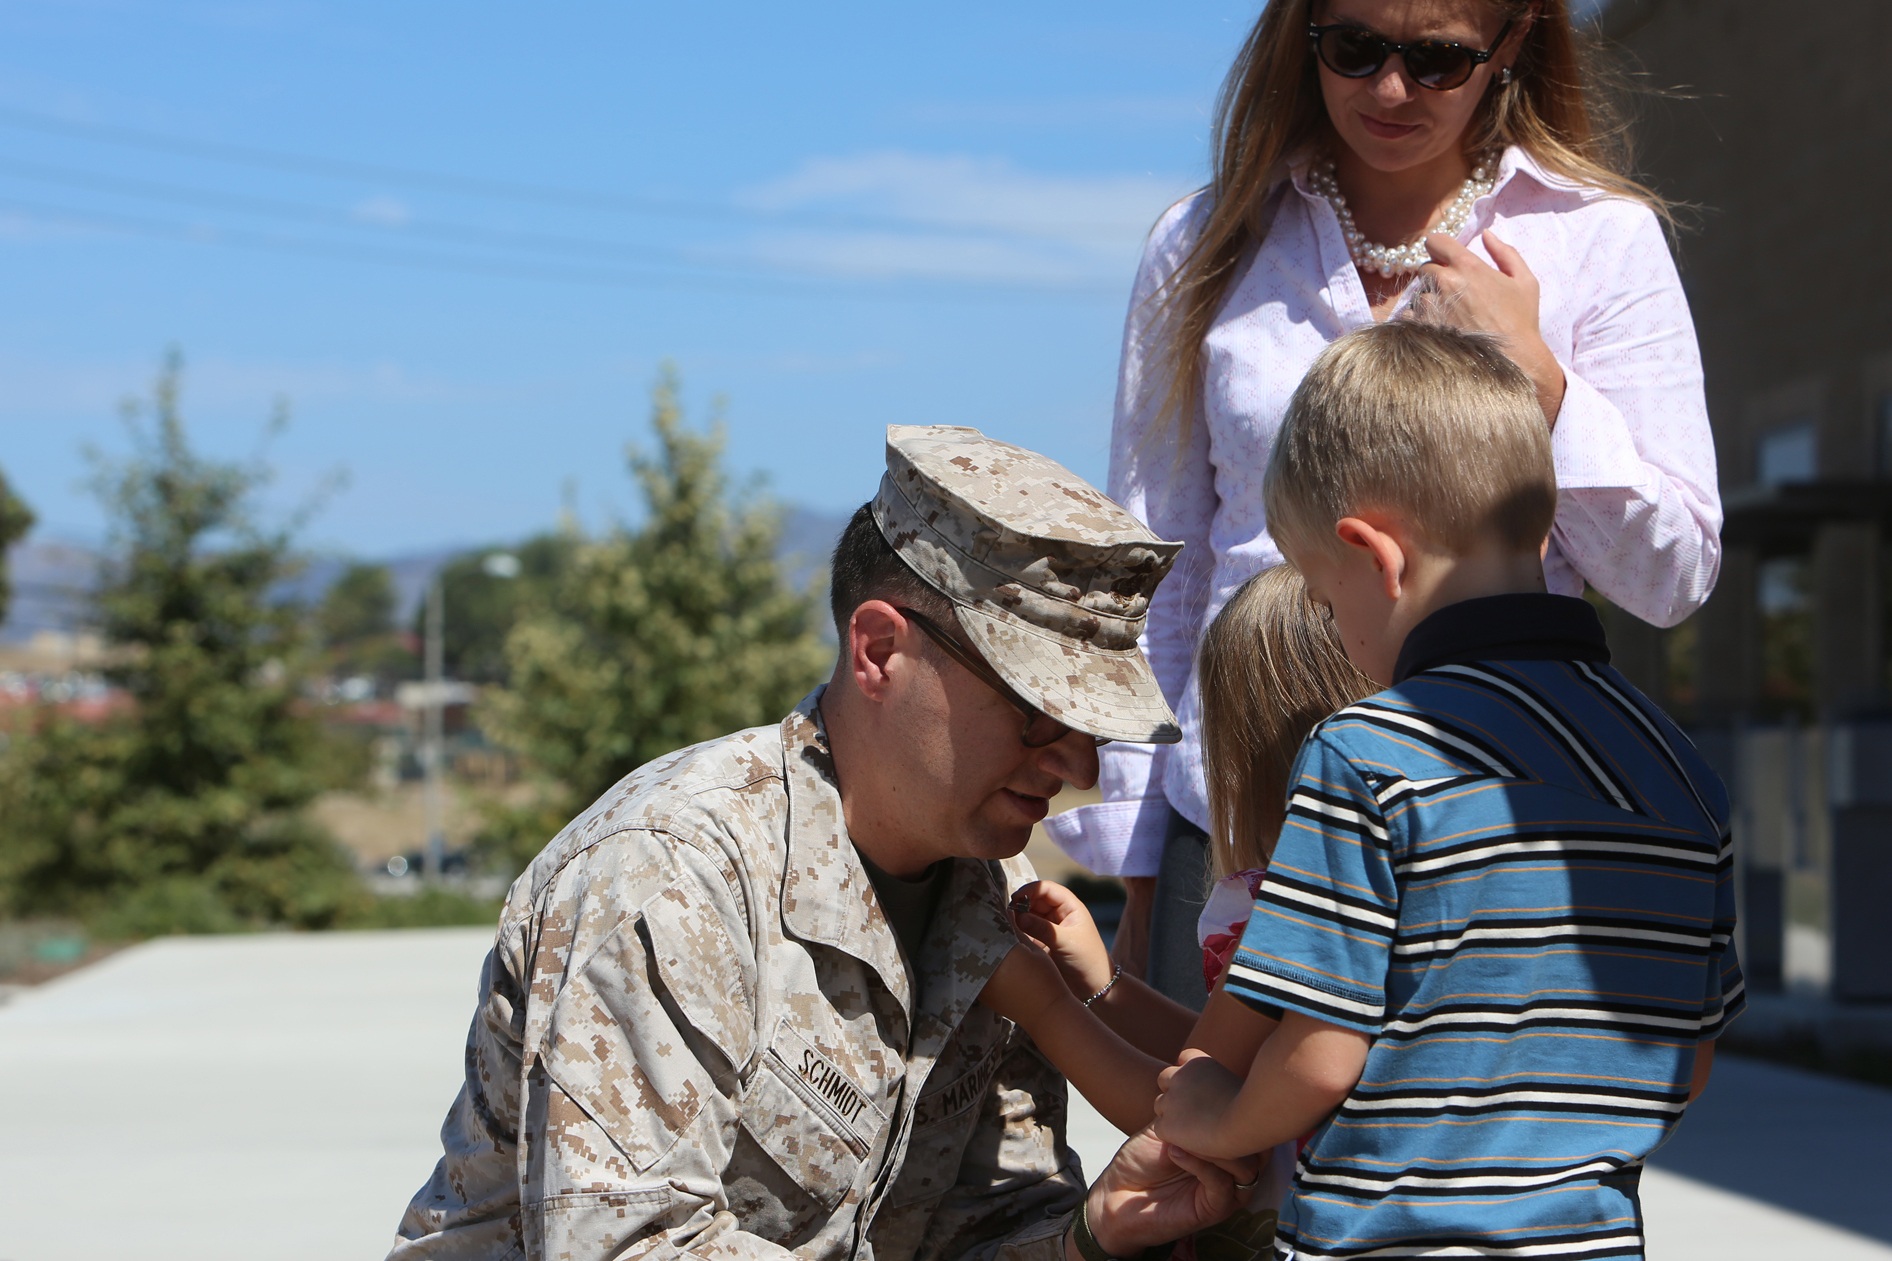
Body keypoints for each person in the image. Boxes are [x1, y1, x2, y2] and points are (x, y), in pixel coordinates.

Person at [388, 424, 1258, 1261]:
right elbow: (631, 1245)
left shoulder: (989, 890)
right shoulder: (669, 872)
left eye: (1091, 729)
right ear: (879, 649)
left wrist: (1088, 1237)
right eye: (1039, 714)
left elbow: (992, 1219)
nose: (1075, 765)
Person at [1046, 0, 1723, 1009]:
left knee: (1442, 1157)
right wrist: (1140, 862)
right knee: (1214, 1148)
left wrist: (1539, 383)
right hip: (1233, 809)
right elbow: (1157, 561)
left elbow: (1670, 576)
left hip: (1485, 821)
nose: (1390, 89)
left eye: (1439, 60)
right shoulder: (1203, 240)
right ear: (1301, 35)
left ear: (1511, 44)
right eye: (1353, 49)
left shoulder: (1596, 241)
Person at [1152, 321, 1744, 1260]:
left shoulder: (1369, 753)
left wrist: (1214, 1117)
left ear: (1374, 556)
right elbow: (1690, 1059)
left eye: (1322, 592)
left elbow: (1318, 1054)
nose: (1335, 630)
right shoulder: (1680, 772)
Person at [978, 564, 1374, 1256]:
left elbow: (1182, 1116)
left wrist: (1047, 1007)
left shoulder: (1279, 911)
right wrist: (1105, 985)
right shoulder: (1389, 887)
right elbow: (1230, 1054)